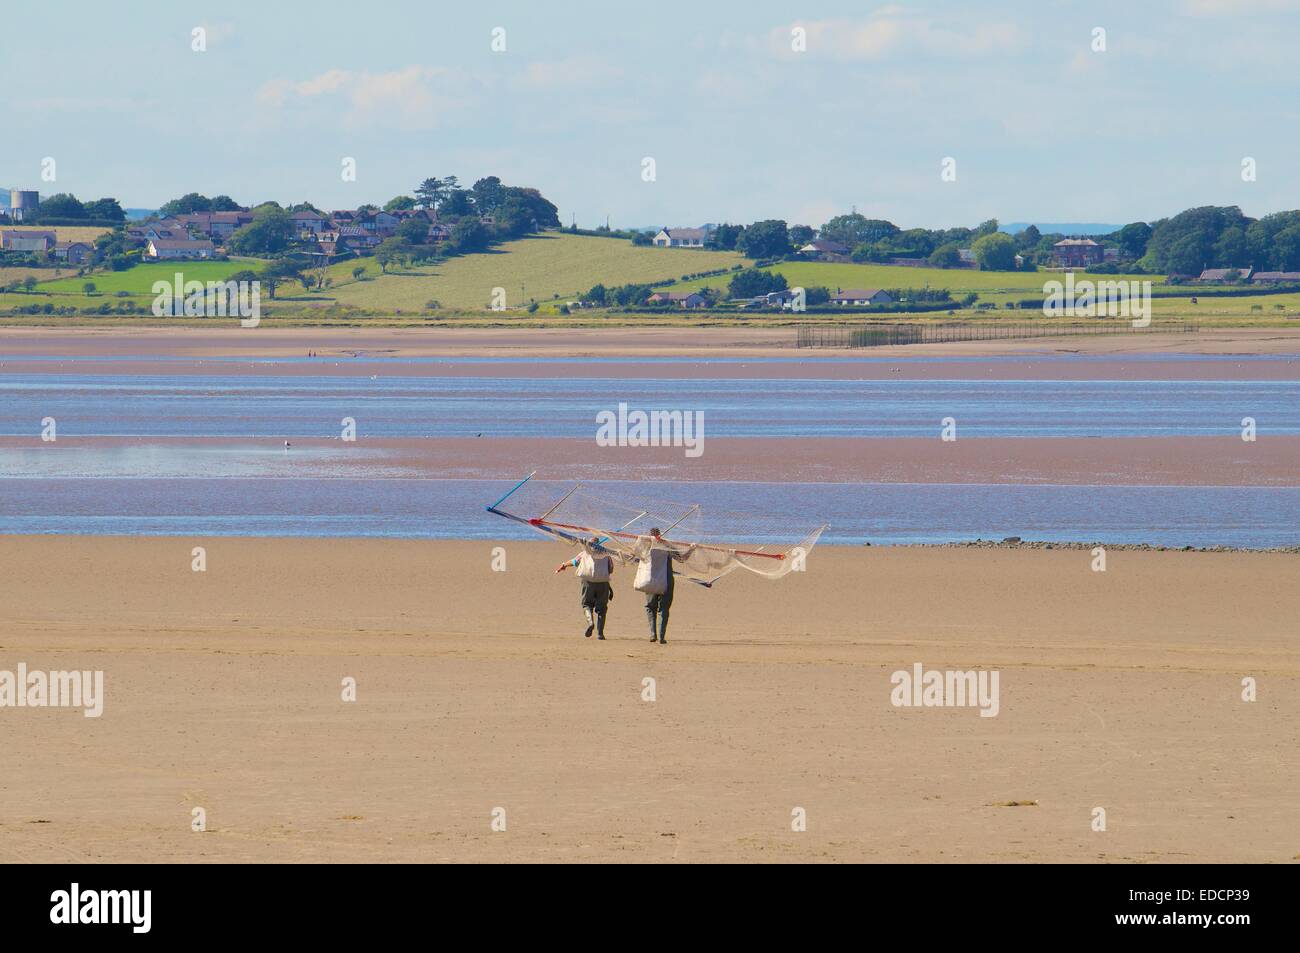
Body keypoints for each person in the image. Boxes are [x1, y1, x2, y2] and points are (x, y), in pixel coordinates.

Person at [633, 528, 695, 645]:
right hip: (665, 581)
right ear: (659, 535)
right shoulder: (666, 546)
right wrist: (691, 549)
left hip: (649, 580)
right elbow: (682, 558)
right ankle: (661, 636)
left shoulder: (645, 547)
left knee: (651, 607)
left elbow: (634, 555)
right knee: (664, 608)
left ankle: (653, 634)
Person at [555, 537, 614, 639]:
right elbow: (611, 569)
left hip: (588, 583)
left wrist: (564, 565)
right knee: (602, 609)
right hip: (603, 584)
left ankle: (590, 623)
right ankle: (600, 634)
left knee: (586, 604)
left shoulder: (584, 553)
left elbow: (574, 562)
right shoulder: (606, 554)